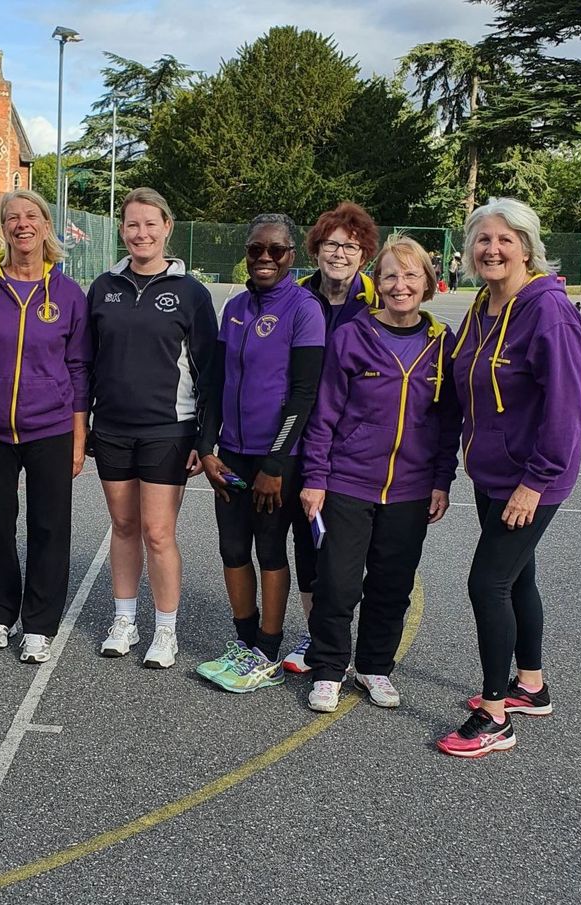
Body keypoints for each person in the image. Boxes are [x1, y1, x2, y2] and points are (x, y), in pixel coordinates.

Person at [437, 197, 581, 758]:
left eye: (504, 239)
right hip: (492, 470)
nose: (492, 249)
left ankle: (496, 716)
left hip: (533, 476)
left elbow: (565, 407)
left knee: (488, 583)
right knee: (519, 578)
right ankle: (531, 685)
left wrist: (536, 481)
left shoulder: (547, 310)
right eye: (482, 240)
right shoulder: (482, 304)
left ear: (527, 247)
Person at [298, 235, 461, 712]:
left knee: (392, 585)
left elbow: (448, 421)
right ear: (378, 282)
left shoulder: (440, 343)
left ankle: (374, 667)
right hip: (347, 482)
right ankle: (328, 668)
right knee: (337, 583)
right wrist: (314, 477)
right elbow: (324, 413)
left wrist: (441, 480)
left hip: (411, 490)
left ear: (428, 283)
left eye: (411, 275)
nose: (400, 284)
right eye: (390, 274)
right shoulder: (353, 335)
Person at [87, 187, 218, 668]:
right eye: (131, 224)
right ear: (122, 230)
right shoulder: (104, 287)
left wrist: (204, 441)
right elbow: (86, 361)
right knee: (123, 525)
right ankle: (125, 620)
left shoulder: (192, 293)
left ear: (167, 227)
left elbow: (210, 372)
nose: (140, 233)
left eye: (149, 223)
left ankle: (166, 630)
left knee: (158, 532)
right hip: (114, 428)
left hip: (170, 429)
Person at [194, 214, 326, 692]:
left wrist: (275, 463)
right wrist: (205, 447)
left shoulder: (304, 309)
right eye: (256, 250)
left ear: (293, 255)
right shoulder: (236, 304)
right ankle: (245, 642)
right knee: (232, 548)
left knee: (269, 549)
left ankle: (268, 650)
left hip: (277, 460)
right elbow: (215, 382)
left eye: (276, 250)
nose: (265, 258)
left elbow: (303, 393)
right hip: (229, 455)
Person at [0, 190, 90, 664]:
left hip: (51, 428)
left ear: (45, 225)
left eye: (31, 216)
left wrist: (79, 436)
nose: (21, 224)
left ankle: (38, 623)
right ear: (3, 228)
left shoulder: (69, 294)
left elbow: (78, 369)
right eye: (12, 217)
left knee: (49, 527)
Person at [283, 201, 381, 674]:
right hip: (306, 441)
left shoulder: (377, 301)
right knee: (309, 542)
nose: (339, 253)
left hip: (356, 448)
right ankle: (315, 634)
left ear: (364, 255)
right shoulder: (299, 297)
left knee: (347, 555)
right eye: (330, 244)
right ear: (316, 248)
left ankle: (350, 642)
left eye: (350, 246)